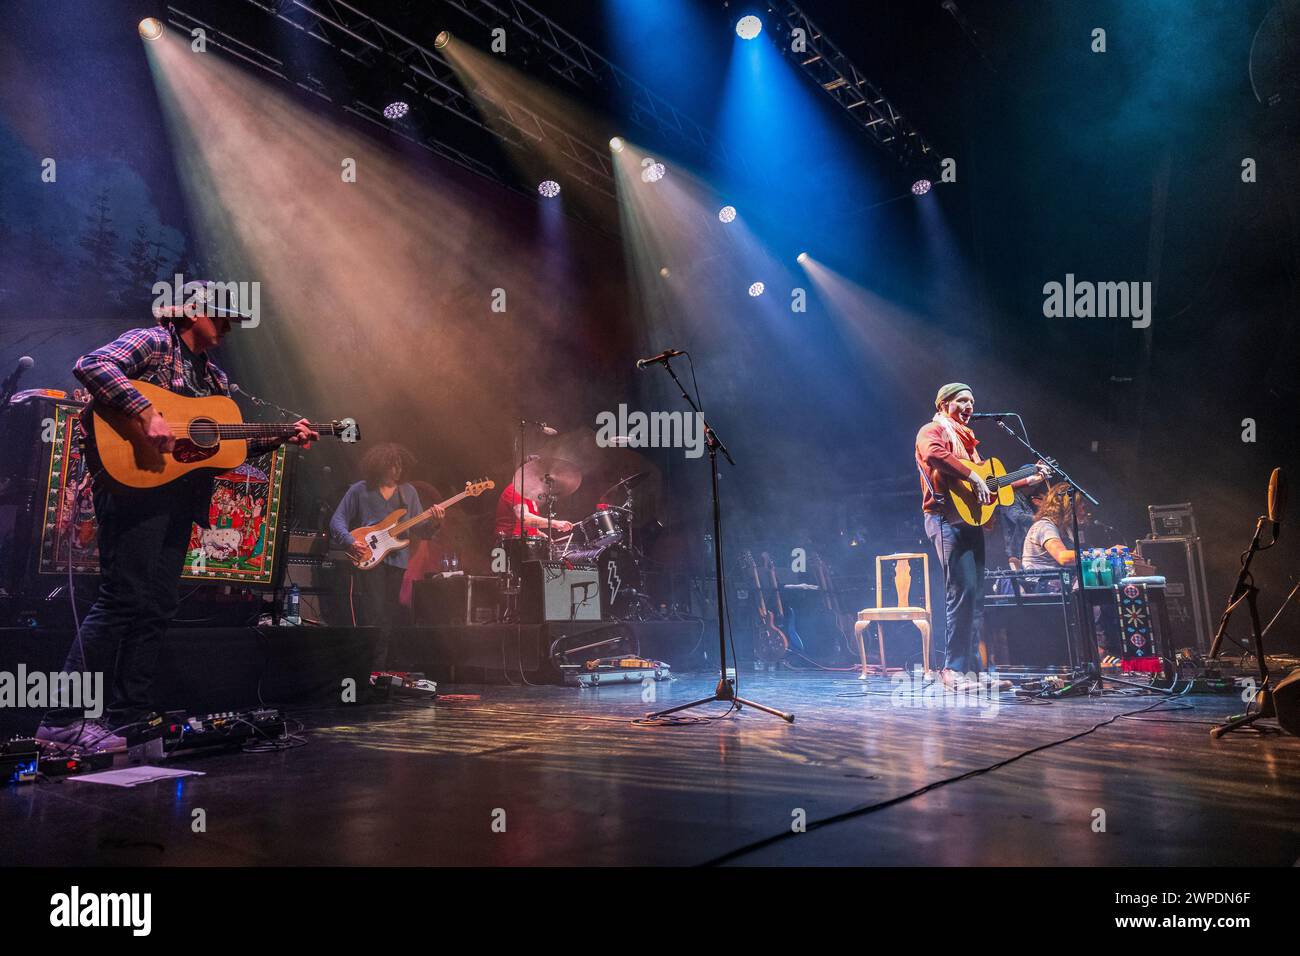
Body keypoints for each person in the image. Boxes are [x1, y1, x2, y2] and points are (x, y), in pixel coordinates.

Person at [37, 294, 318, 753]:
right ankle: (61, 720)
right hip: (133, 487)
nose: (230, 324)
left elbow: (222, 446)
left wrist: (282, 436)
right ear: (191, 312)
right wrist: (146, 413)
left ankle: (128, 717)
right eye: (222, 315)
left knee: (157, 606)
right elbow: (91, 365)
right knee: (121, 600)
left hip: (178, 496)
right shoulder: (152, 343)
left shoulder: (215, 377)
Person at [915, 383, 1048, 690]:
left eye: (972, 401)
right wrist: (973, 475)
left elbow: (992, 488)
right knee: (960, 593)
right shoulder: (932, 431)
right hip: (945, 519)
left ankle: (972, 671)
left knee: (975, 598)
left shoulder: (969, 446)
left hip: (970, 522)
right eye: (962, 400)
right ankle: (953, 671)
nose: (969, 406)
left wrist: (1029, 479)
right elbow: (933, 454)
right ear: (944, 404)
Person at [331, 442, 443, 670]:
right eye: (392, 465)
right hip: (369, 558)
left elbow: (421, 531)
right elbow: (337, 520)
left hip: (397, 561)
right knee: (372, 612)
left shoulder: (408, 492)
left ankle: (377, 668)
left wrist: (436, 522)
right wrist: (351, 541)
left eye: (400, 465)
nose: (397, 470)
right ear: (379, 466)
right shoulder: (360, 490)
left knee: (388, 616)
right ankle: (365, 666)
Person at [1022, 482, 1123, 667]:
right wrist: (1106, 553)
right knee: (1094, 591)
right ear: (1069, 506)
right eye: (1080, 504)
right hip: (1044, 585)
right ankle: (1099, 653)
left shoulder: (1065, 530)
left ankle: (1105, 650)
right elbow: (1062, 557)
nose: (1084, 508)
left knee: (1106, 585)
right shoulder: (1045, 526)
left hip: (1061, 582)